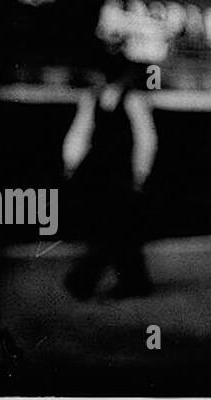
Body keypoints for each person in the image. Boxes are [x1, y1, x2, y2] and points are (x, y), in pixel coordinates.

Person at [61, 42, 158, 299]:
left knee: (113, 228)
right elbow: (80, 134)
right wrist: (72, 163)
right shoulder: (93, 99)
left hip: (120, 173)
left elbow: (145, 139)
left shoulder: (133, 100)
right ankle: (134, 282)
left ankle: (84, 279)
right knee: (116, 228)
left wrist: (140, 172)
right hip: (100, 172)